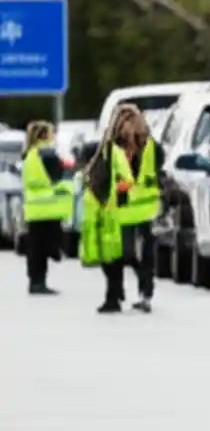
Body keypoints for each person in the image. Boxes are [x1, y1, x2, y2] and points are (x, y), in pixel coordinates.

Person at [80, 106, 135, 313]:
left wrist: (111, 191)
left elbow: (126, 181)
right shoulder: (109, 154)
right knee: (110, 260)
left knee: (111, 260)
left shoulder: (105, 154)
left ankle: (114, 295)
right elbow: (127, 181)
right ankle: (115, 293)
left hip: (103, 215)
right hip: (104, 214)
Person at [113, 103, 166, 313]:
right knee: (127, 253)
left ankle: (146, 293)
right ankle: (142, 284)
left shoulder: (152, 148)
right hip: (125, 208)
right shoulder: (116, 147)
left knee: (147, 254)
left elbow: (159, 172)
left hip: (147, 208)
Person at [20, 120, 73, 295]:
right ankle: (40, 281)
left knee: (35, 248)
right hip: (49, 208)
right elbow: (60, 176)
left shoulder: (29, 155)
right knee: (45, 247)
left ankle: (35, 281)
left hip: (34, 209)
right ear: (45, 135)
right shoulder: (48, 154)